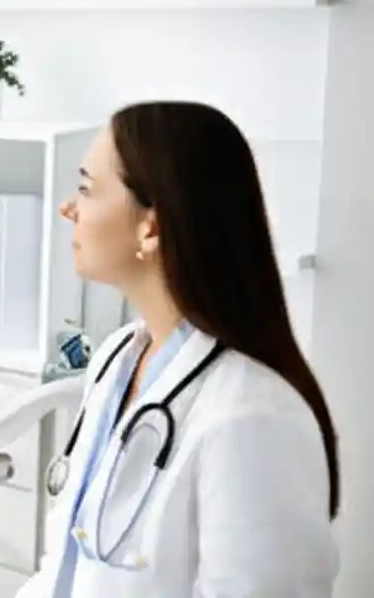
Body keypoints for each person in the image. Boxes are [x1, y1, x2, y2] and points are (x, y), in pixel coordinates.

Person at [17, 102, 340, 596]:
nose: (69, 208)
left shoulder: (254, 415)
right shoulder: (118, 359)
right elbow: (63, 567)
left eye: (86, 188)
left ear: (151, 227)